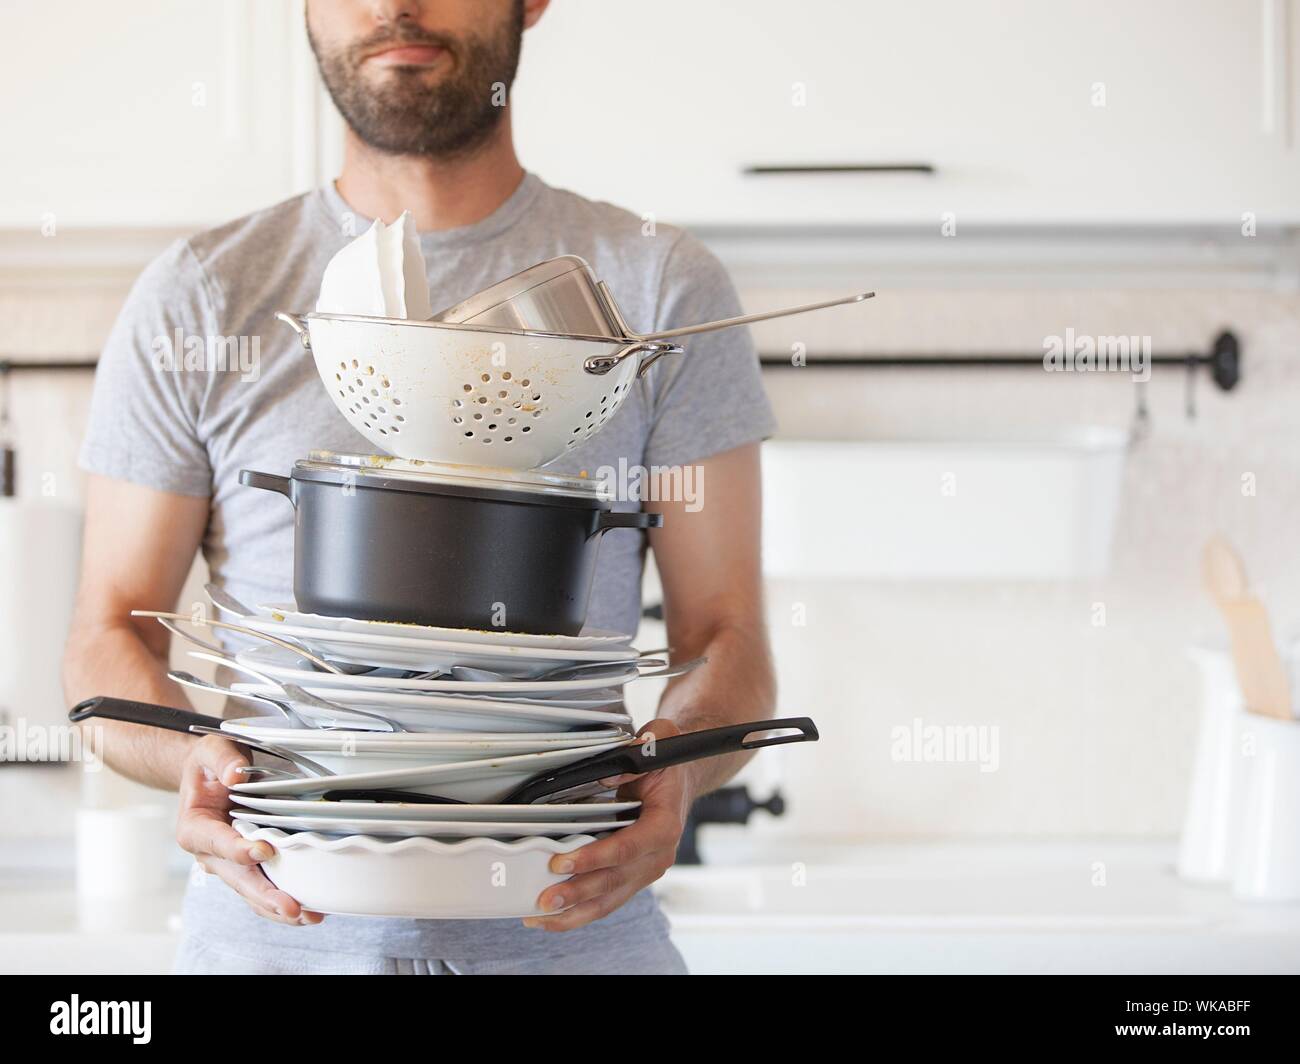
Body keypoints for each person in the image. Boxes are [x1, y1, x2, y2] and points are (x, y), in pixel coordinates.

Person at [63, 0, 776, 975]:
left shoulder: (659, 290)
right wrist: (192, 751)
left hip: (572, 933)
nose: (396, 4)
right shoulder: (202, 296)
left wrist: (675, 771)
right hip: (273, 941)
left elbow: (727, 640)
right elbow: (108, 637)